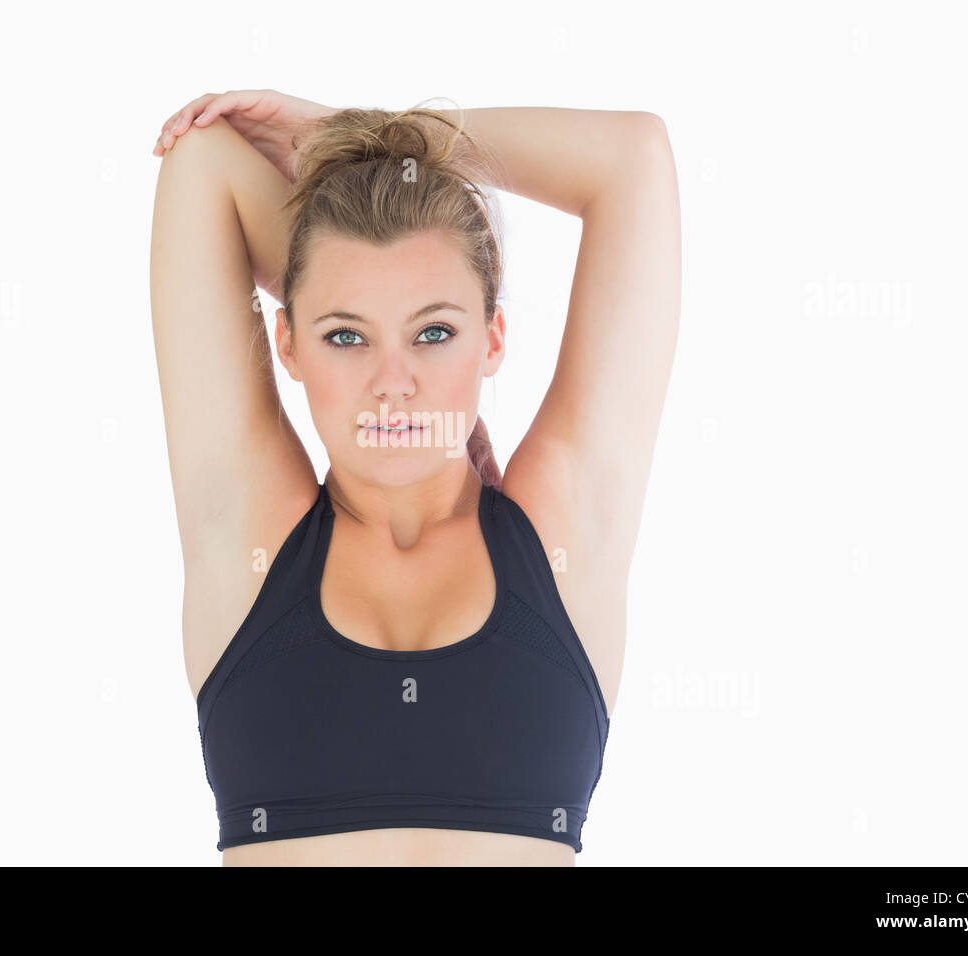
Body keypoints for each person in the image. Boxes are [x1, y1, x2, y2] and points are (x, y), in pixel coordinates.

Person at [149, 90, 680, 866]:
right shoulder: (249, 537)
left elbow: (636, 159)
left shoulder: (562, 539)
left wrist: (391, 146)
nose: (392, 383)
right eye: (345, 336)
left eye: (434, 333)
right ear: (287, 343)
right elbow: (202, 162)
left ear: (492, 338)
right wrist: (370, 163)